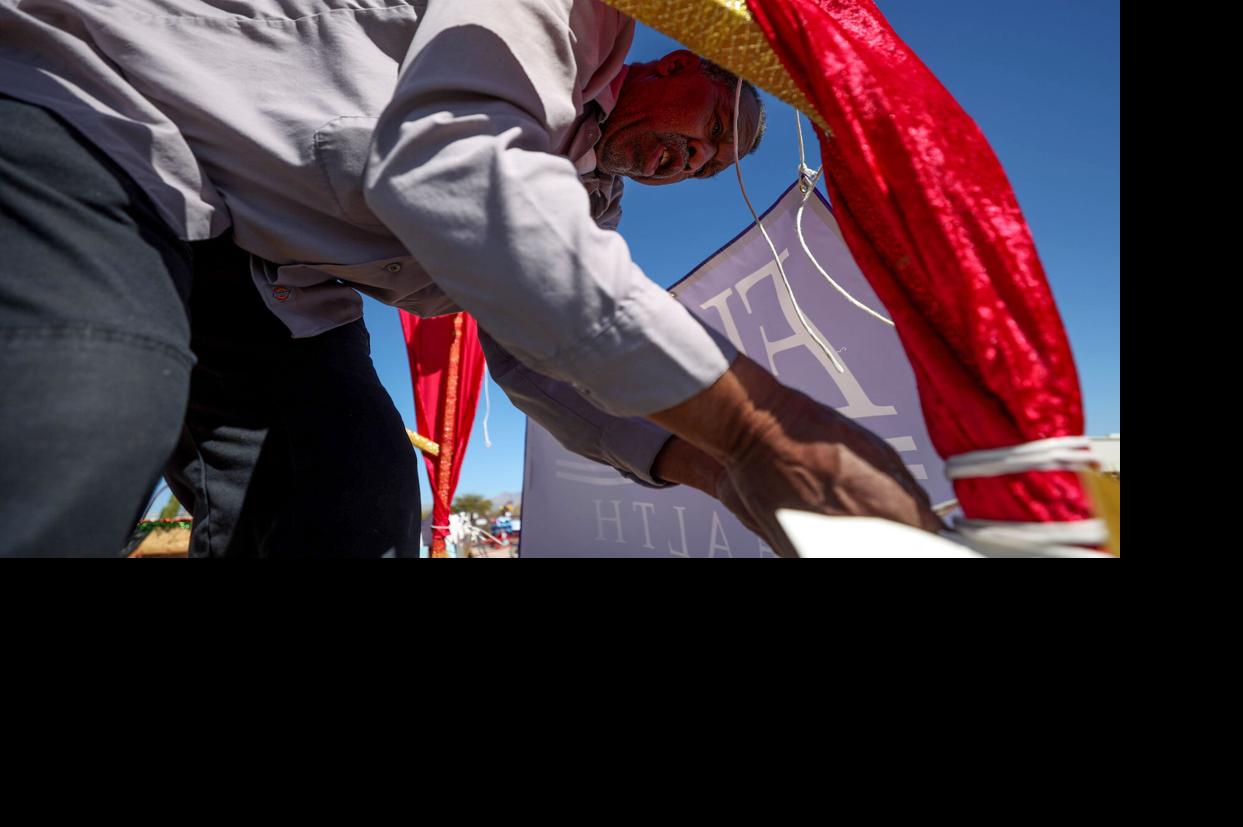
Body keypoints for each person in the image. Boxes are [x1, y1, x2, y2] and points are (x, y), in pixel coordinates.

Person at [0, 0, 938, 557]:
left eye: (702, 167)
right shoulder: (567, 13)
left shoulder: (591, 196)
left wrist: (718, 470)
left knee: (354, 501)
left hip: (270, 275)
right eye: (707, 130)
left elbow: (536, 357)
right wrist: (763, 429)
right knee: (88, 401)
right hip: (100, 115)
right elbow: (450, 161)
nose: (687, 160)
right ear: (679, 58)